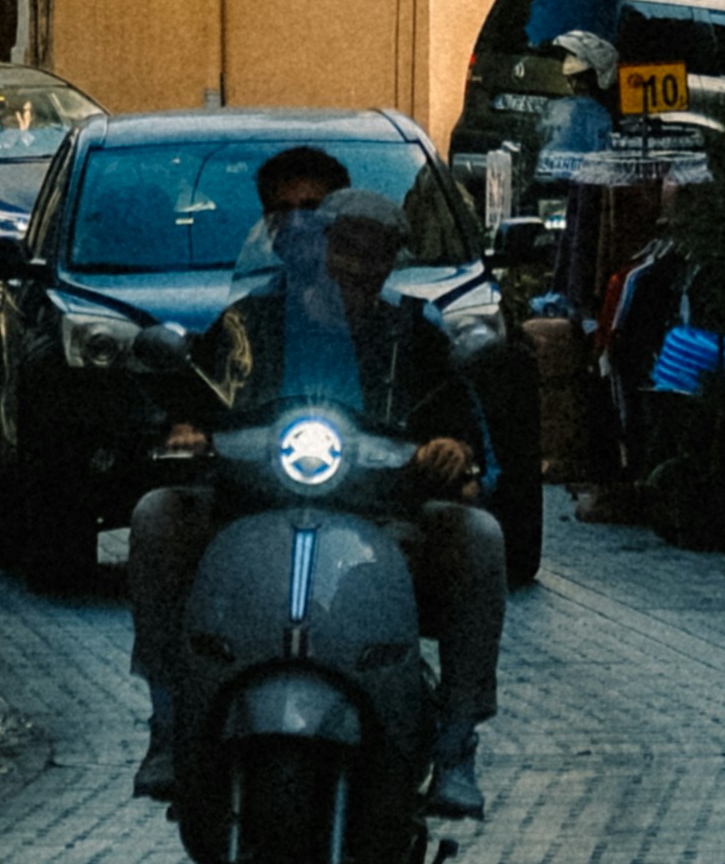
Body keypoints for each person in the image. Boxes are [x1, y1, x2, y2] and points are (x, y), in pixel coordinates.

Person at [121, 148, 509, 824]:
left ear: (391, 261)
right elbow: (196, 401)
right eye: (342, 245)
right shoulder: (247, 323)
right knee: (158, 515)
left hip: (384, 520)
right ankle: (168, 722)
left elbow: (468, 442)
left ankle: (455, 743)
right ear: (305, 242)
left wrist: (452, 456)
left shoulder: (415, 335)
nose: (357, 265)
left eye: (375, 252)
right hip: (250, 510)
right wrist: (185, 432)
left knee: (478, 536)